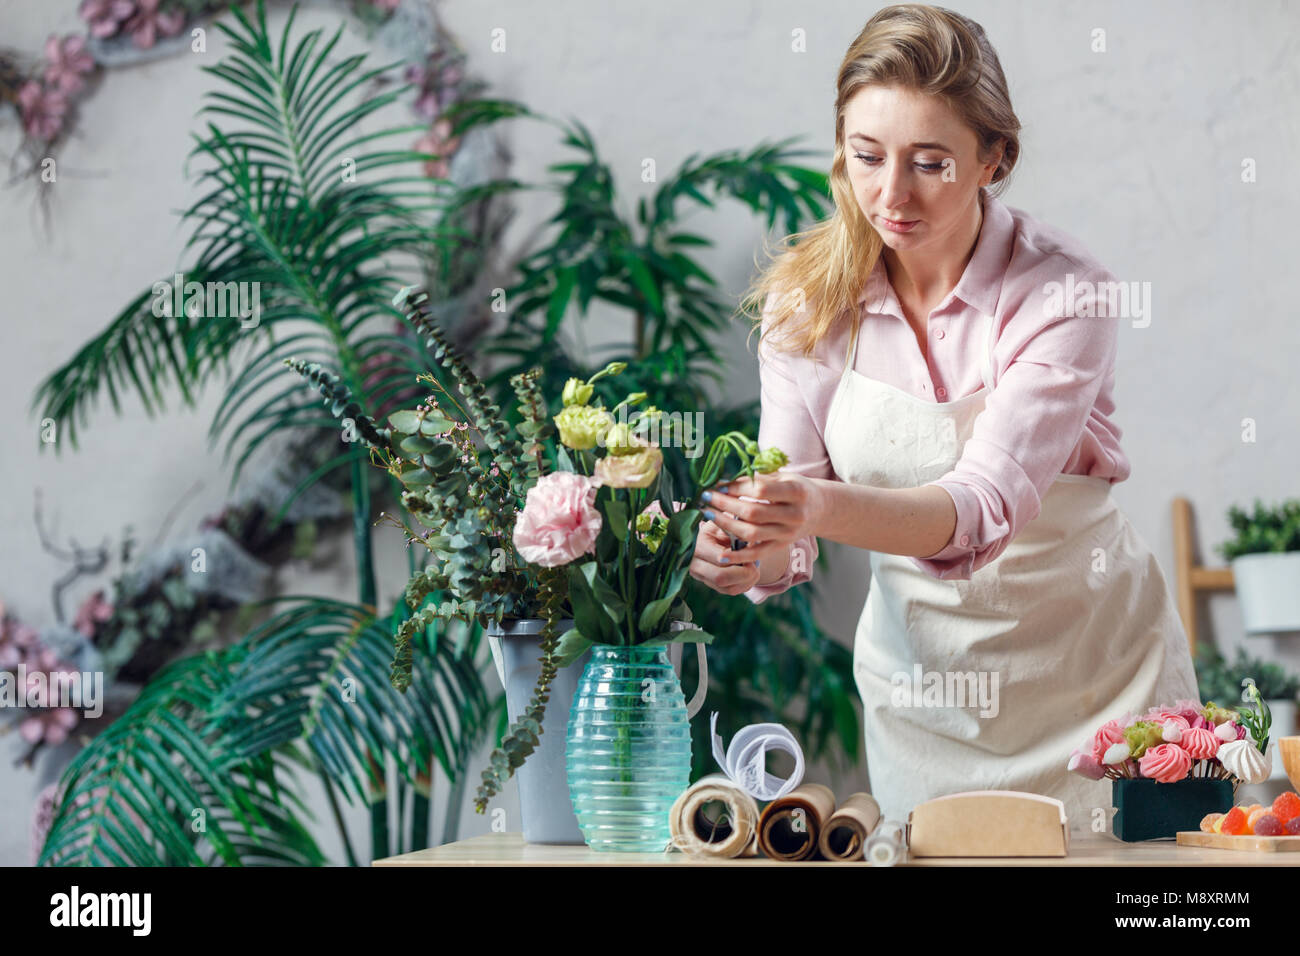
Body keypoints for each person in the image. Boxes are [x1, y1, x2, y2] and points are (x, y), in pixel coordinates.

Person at [687, 4, 1200, 828]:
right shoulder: (806, 301)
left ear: (995, 157)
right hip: (926, 700)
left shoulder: (1062, 290)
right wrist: (754, 548)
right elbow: (792, 506)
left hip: (1100, 683)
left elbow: (978, 508)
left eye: (930, 162)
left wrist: (809, 508)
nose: (891, 195)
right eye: (866, 156)